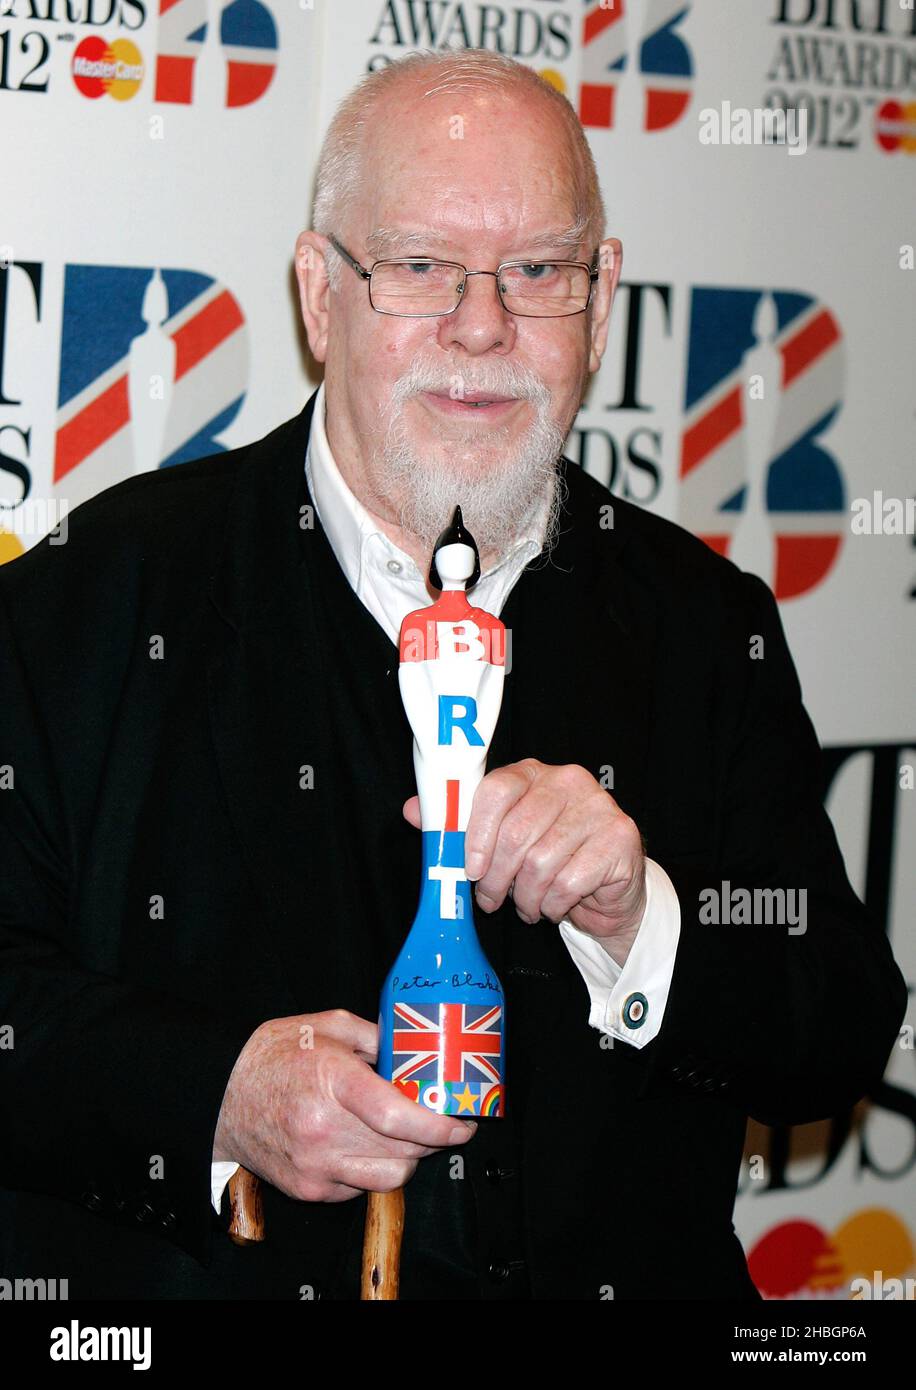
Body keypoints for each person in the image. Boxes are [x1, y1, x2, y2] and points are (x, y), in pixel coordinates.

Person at [0, 49, 906, 1302]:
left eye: (538, 270)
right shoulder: (90, 598)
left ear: (602, 296)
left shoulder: (704, 624)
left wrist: (643, 924)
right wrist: (213, 1096)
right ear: (321, 296)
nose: (482, 326)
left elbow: (837, 1023)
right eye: (420, 265)